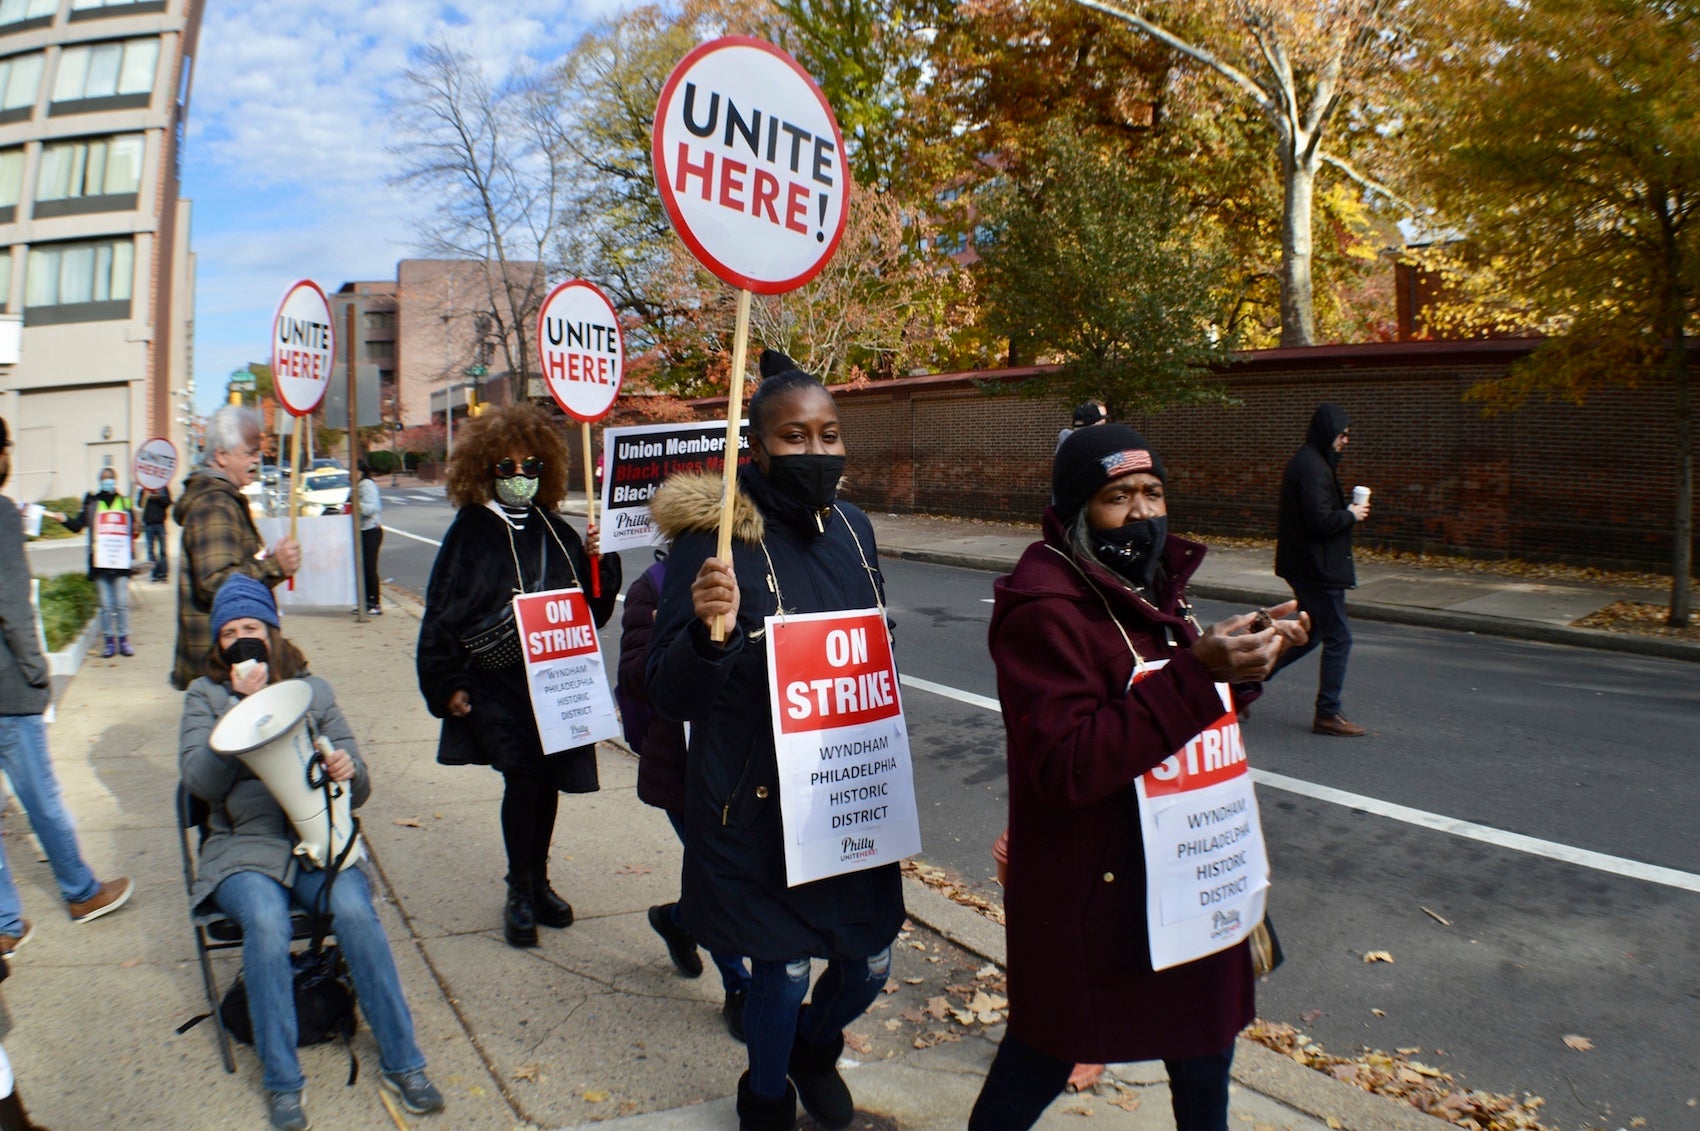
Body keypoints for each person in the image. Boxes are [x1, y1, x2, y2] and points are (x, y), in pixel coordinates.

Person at [968, 425, 1307, 1131]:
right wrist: (1201, 670)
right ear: (1074, 511)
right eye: (1117, 497)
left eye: (1153, 492)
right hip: (1096, 891)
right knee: (1045, 1052)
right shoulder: (1044, 610)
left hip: (1184, 874)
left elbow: (1172, 708)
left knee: (1205, 1051)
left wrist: (1247, 660)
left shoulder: (1154, 588)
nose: (1143, 512)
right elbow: (1069, 763)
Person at [647, 350, 905, 1131]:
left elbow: (867, 644)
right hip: (754, 797)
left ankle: (813, 1050)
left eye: (830, 435)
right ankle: (764, 1093)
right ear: (756, 449)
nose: (818, 452)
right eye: (796, 437)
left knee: (868, 960)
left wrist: (880, 647)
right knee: (783, 968)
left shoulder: (855, 528)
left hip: (846, 788)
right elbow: (666, 687)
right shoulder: (715, 539)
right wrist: (707, 632)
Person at [180, 575, 445, 1131]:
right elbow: (200, 785)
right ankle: (282, 1081)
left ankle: (404, 1061)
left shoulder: (312, 691)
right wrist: (240, 713)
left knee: (355, 913)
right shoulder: (203, 697)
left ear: (272, 631)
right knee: (269, 925)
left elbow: (361, 784)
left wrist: (347, 772)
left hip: (316, 838)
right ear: (218, 646)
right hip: (242, 849)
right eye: (228, 633)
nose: (240, 640)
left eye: (250, 627)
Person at [415, 404, 621, 949]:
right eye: (506, 469)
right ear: (485, 471)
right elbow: (441, 614)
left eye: (529, 465)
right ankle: (519, 889)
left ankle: (539, 880)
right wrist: (448, 685)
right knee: (522, 780)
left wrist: (605, 560)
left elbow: (594, 611)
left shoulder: (558, 530)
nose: (520, 476)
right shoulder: (472, 531)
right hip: (500, 686)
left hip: (557, 685)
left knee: (546, 783)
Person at [0, 415, 134, 958]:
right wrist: (38, 672)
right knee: (42, 800)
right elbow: (11, 605)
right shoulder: (2, 515)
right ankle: (80, 892)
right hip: (7, 689)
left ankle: (5, 924)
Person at [614, 550, 751, 1040]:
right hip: (684, 771)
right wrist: (677, 634)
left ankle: (677, 921)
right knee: (720, 880)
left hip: (744, 765)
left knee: (729, 879)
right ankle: (740, 987)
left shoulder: (754, 575)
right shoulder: (654, 586)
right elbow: (633, 677)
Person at [171, 406, 301, 691]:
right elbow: (215, 582)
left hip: (228, 662)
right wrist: (275, 566)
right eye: (250, 452)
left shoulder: (221, 500)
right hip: (224, 667)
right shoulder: (215, 504)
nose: (258, 459)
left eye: (259, 452)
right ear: (221, 455)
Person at [1271, 403, 1371, 737]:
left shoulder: (1312, 462)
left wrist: (1344, 511)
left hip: (1309, 564)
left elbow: (1316, 513)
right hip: (1317, 568)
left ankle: (1241, 687)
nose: (1345, 441)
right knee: (1339, 637)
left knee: (1309, 636)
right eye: (1342, 434)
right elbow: (1318, 521)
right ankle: (1327, 714)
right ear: (1328, 431)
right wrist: (1351, 515)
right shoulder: (1312, 466)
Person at [55, 468, 138, 658]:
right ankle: (110, 641)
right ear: (100, 481)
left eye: (110, 479)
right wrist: (64, 519)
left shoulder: (124, 502)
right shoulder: (92, 502)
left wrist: (137, 524)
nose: (108, 482)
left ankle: (124, 639)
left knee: (122, 603)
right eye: (104, 479)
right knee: (106, 605)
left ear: (115, 481)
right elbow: (78, 525)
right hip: (100, 563)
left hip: (120, 561)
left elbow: (134, 530)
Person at [356, 460, 383, 616]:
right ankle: (365, 601)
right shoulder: (359, 484)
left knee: (369, 567)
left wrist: (356, 505)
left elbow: (372, 507)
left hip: (370, 530)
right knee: (362, 568)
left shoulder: (366, 485)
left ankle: (374, 602)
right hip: (362, 530)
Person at [141, 483, 173, 582]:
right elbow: (140, 504)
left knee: (163, 550)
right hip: (148, 523)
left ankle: (163, 574)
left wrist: (159, 497)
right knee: (151, 551)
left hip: (160, 523)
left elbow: (168, 502)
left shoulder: (163, 487)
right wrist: (146, 495)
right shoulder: (144, 487)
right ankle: (154, 574)